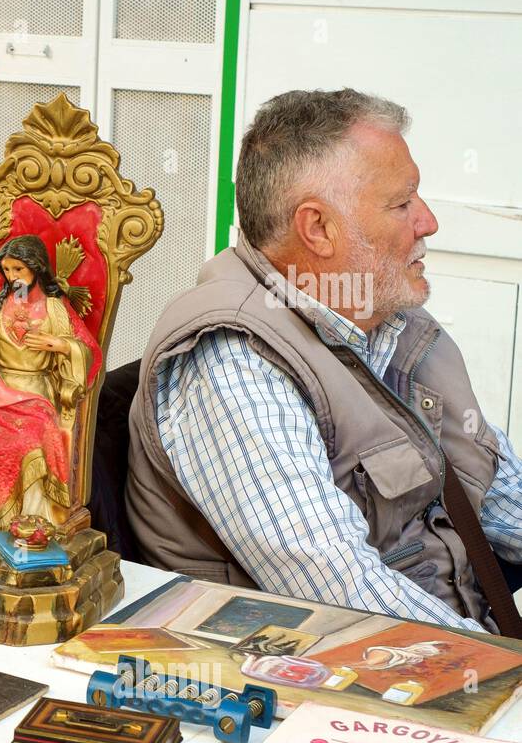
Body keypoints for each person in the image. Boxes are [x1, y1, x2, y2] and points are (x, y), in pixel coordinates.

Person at [128, 88, 522, 634]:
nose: (428, 222)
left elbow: (501, 497)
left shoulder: (390, 322)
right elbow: (343, 593)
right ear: (317, 228)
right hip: (351, 670)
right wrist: (502, 670)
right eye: (402, 203)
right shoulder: (233, 359)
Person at [0, 234, 100, 553]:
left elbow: (89, 351)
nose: (13, 277)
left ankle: (33, 520)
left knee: (33, 434)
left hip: (37, 390)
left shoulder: (55, 309)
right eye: (8, 270)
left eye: (19, 269)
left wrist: (60, 345)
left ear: (36, 268)